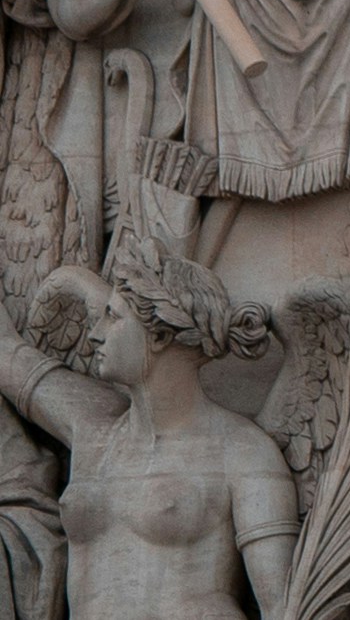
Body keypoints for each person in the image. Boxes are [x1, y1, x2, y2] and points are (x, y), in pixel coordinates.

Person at [1, 263, 293, 620]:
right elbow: (5, 352)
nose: (95, 334)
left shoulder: (243, 451)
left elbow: (282, 608)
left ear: (158, 337)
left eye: (112, 317)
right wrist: (78, 278)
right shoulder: (92, 428)